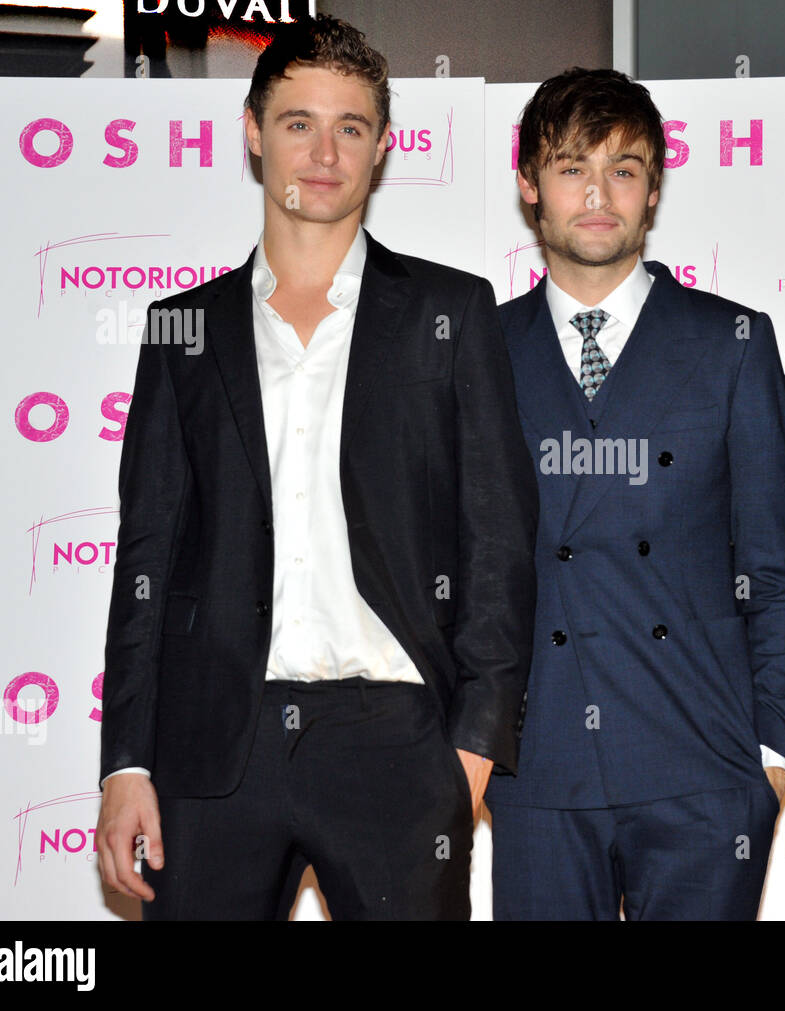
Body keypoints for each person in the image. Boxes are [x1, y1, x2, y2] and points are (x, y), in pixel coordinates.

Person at [94, 15, 537, 920]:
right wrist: (126, 760)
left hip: (397, 743)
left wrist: (472, 744)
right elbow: (146, 553)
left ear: (381, 147)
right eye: (298, 122)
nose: (324, 151)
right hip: (212, 742)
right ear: (255, 133)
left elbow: (497, 535)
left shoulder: (450, 312)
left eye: (351, 126)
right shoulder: (183, 328)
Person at [486, 67, 785, 920]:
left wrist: (775, 748)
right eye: (570, 167)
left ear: (654, 189)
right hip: (537, 763)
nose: (599, 193)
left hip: (703, 762)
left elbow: (774, 562)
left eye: (624, 169)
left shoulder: (732, 341)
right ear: (529, 184)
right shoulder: (481, 350)